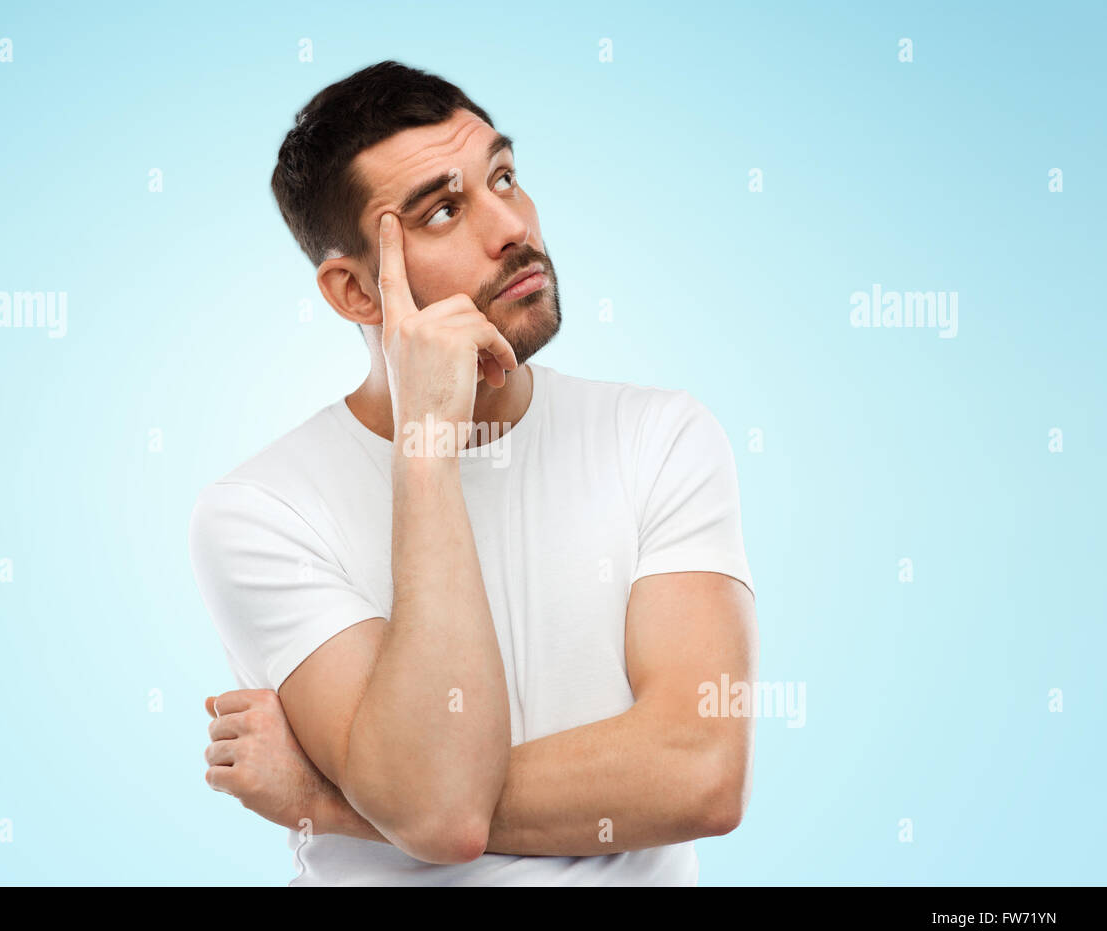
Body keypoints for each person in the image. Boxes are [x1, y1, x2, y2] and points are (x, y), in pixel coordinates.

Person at [189, 60, 759, 885]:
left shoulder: (661, 436)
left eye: (505, 177)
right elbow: (438, 811)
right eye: (445, 210)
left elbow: (701, 772)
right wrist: (426, 449)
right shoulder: (260, 512)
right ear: (354, 291)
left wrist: (338, 797)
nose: (511, 228)